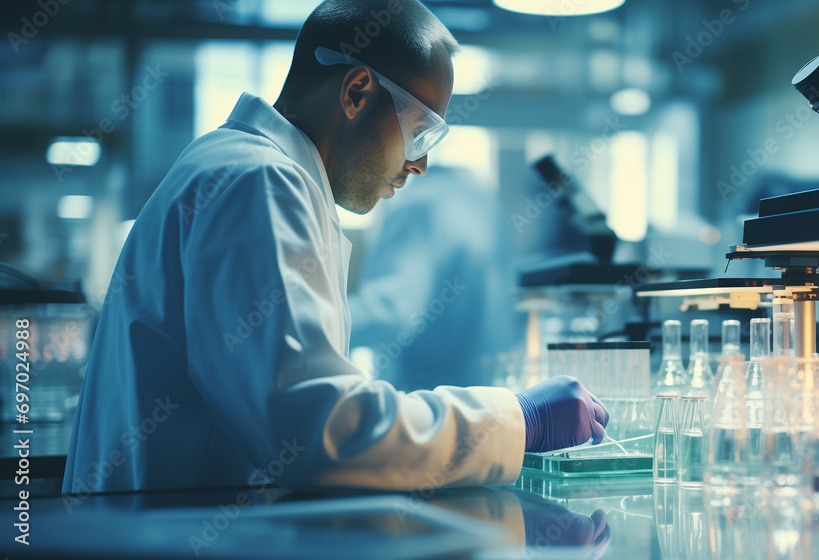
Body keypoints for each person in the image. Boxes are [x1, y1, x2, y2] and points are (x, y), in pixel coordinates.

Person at [62, 0, 609, 494]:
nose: (420, 164)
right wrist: (517, 419)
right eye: (420, 132)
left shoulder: (248, 171)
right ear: (355, 93)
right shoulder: (259, 183)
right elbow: (314, 432)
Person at [349, 166, 517, 391]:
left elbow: (390, 311)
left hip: (426, 403)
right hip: (486, 397)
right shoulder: (482, 203)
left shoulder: (420, 205)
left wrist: (307, 323)